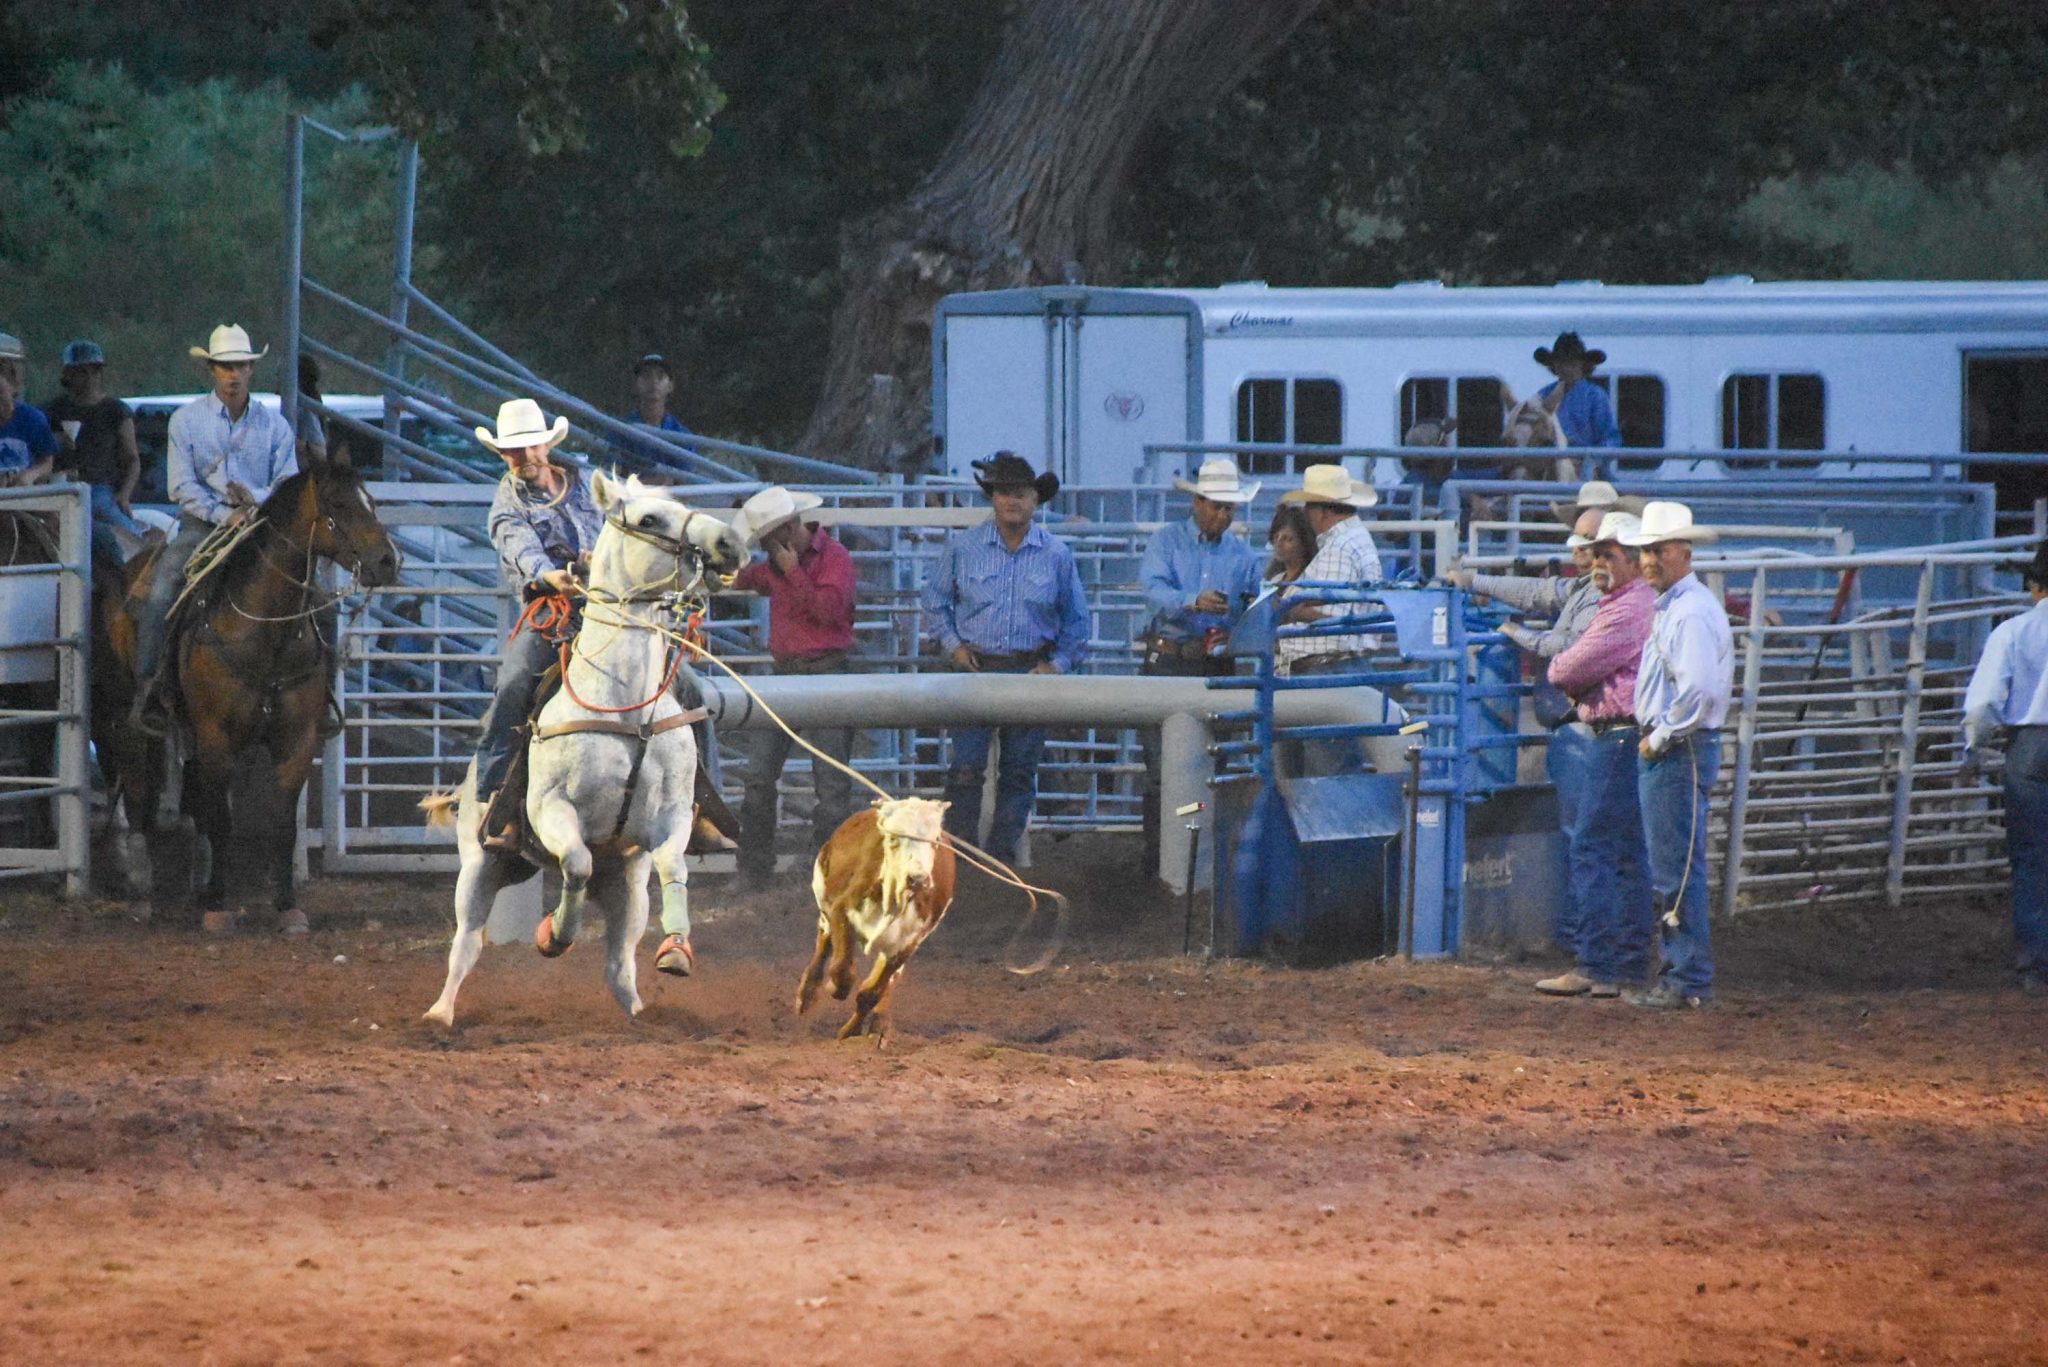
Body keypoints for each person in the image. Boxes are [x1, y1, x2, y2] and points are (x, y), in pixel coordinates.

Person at [921, 450, 1089, 864]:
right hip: (977, 664)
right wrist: (954, 646)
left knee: (1017, 771)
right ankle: (961, 857)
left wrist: (1057, 665)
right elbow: (934, 602)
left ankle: (998, 858)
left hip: (1029, 668)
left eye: (1021, 493)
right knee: (966, 768)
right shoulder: (964, 548)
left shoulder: (1056, 555)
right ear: (993, 498)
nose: (1013, 501)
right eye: (1004, 492)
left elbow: (1077, 623)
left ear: (1035, 501)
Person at [1453, 507, 1606, 955]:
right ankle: (1589, 939)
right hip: (1577, 728)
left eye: (1586, 543)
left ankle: (1586, 943)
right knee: (1586, 837)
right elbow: (1540, 591)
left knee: (1583, 837)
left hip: (1583, 728)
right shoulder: (1585, 587)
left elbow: (1565, 646)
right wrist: (1478, 581)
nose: (1577, 550)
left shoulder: (1599, 596)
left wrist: (1513, 630)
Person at [131, 324, 299, 731]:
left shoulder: (274, 426)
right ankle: (149, 685)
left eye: (240, 365)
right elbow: (181, 486)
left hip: (261, 527)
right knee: (166, 580)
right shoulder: (186, 421)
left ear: (250, 369)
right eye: (225, 367)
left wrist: (255, 501)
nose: (233, 374)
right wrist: (226, 515)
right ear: (211, 370)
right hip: (202, 525)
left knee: (308, 586)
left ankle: (316, 687)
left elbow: (287, 482)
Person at [1536, 510, 1656, 998]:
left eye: (1609, 555)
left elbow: (1567, 668)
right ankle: (1624, 963)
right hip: (1630, 734)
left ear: (1630, 560)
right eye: (1600, 554)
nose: (1599, 563)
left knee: (1591, 844)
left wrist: (1569, 674)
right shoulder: (1635, 602)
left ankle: (1596, 962)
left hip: (1618, 734)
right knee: (1627, 850)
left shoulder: (1624, 608)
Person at [1620, 501, 1733, 1010]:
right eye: (1645, 550)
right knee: (1676, 866)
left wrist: (1661, 735)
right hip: (1679, 746)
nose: (1649, 560)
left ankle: (1687, 978)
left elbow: (1697, 692)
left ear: (1683, 553)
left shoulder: (1685, 611)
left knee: (1676, 870)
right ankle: (1683, 974)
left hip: (1678, 748)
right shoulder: (1680, 605)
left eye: (1657, 550)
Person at [1135, 457, 1263, 863]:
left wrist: (1236, 629)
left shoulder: (1240, 556)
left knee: (1213, 765)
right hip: (1175, 658)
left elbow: (1252, 607)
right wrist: (1191, 602)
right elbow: (1152, 589)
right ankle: (1161, 862)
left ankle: (1202, 864)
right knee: (1161, 769)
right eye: (1217, 506)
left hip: (1207, 661)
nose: (1223, 515)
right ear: (1198, 503)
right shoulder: (1168, 542)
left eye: (1229, 508)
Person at [729, 484, 858, 883]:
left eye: (767, 539)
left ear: (785, 530)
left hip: (825, 672)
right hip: (795, 675)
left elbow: (830, 613)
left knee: (830, 783)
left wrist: (791, 573)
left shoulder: (834, 559)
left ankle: (824, 872)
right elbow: (742, 579)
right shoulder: (783, 565)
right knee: (759, 777)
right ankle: (756, 867)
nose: (765, 548)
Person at [1961, 541, 2048, 994]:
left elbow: (1984, 703)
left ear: (2035, 584)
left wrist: (1973, 750)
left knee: (2032, 858)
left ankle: (2035, 965)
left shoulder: (2014, 632)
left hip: (2031, 744)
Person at [1274, 464, 1384, 775]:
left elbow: (1333, 618)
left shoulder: (1338, 548)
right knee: (1331, 767)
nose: (1308, 515)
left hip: (1327, 669)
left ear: (1322, 511)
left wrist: (1291, 608)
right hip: (1339, 668)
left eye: (1310, 506)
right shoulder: (1354, 542)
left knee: (1325, 771)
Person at [42, 340, 154, 564]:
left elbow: (132, 459)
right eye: (79, 371)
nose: (87, 377)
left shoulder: (115, 411)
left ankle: (139, 558)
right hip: (58, 485)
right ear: (68, 374)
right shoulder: (52, 410)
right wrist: (56, 442)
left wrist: (124, 494)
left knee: (123, 529)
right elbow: (40, 451)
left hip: (99, 488)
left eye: (92, 371)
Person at [1533, 332, 1623, 449]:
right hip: (1550, 463)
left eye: (1572, 363)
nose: (1566, 369)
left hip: (1586, 463)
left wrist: (1594, 459)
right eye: (1561, 363)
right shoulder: (1543, 396)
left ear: (1583, 365)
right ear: (1553, 365)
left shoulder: (1595, 397)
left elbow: (1610, 439)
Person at [0, 332, 58, 490]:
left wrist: (30, 475)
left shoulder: (32, 418)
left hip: (25, 496)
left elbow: (47, 461)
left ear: (14, 384)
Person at [618, 352, 696, 462]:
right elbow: (613, 473)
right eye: (646, 376)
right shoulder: (620, 429)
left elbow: (680, 478)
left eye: (660, 376)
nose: (653, 382)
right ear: (635, 385)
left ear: (670, 386)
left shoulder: (682, 435)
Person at [1264, 504, 1315, 586]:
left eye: (1288, 539)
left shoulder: (1310, 580)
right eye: (1276, 537)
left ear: (1303, 543)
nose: (1279, 544)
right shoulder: (1274, 580)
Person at [294, 354, 328, 465]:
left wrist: (302, 445)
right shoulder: (299, 406)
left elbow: (321, 452)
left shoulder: (305, 410)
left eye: (280, 374)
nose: (277, 378)